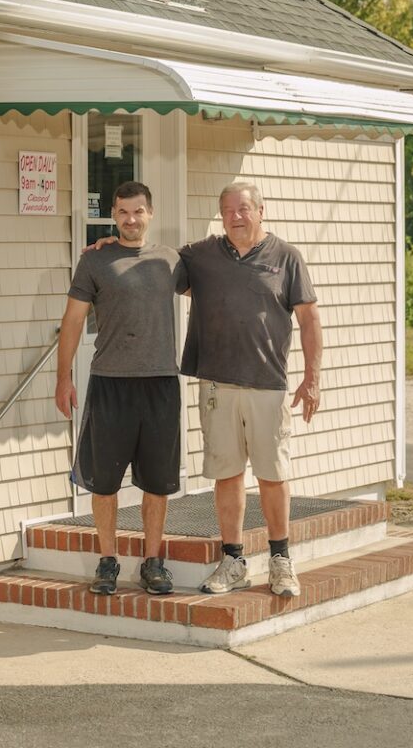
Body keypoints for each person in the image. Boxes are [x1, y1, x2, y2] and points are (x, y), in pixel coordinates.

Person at [179, 180, 322, 599]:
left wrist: (312, 378)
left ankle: (280, 561)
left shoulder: (286, 257)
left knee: (272, 475)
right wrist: (110, 241)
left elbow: (310, 320)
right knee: (227, 474)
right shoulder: (201, 256)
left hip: (268, 386)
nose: (236, 217)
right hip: (218, 385)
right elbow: (151, 262)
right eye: (228, 211)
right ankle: (234, 560)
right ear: (220, 216)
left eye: (244, 209)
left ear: (261, 211)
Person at [55, 181, 184, 596]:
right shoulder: (95, 261)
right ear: (114, 214)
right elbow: (73, 321)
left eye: (139, 211)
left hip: (160, 383)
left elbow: (214, 285)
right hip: (110, 383)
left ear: (151, 213)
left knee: (157, 482)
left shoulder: (172, 261)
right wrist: (62, 378)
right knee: (104, 482)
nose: (131, 220)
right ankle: (108, 561)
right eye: (124, 212)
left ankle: (153, 562)